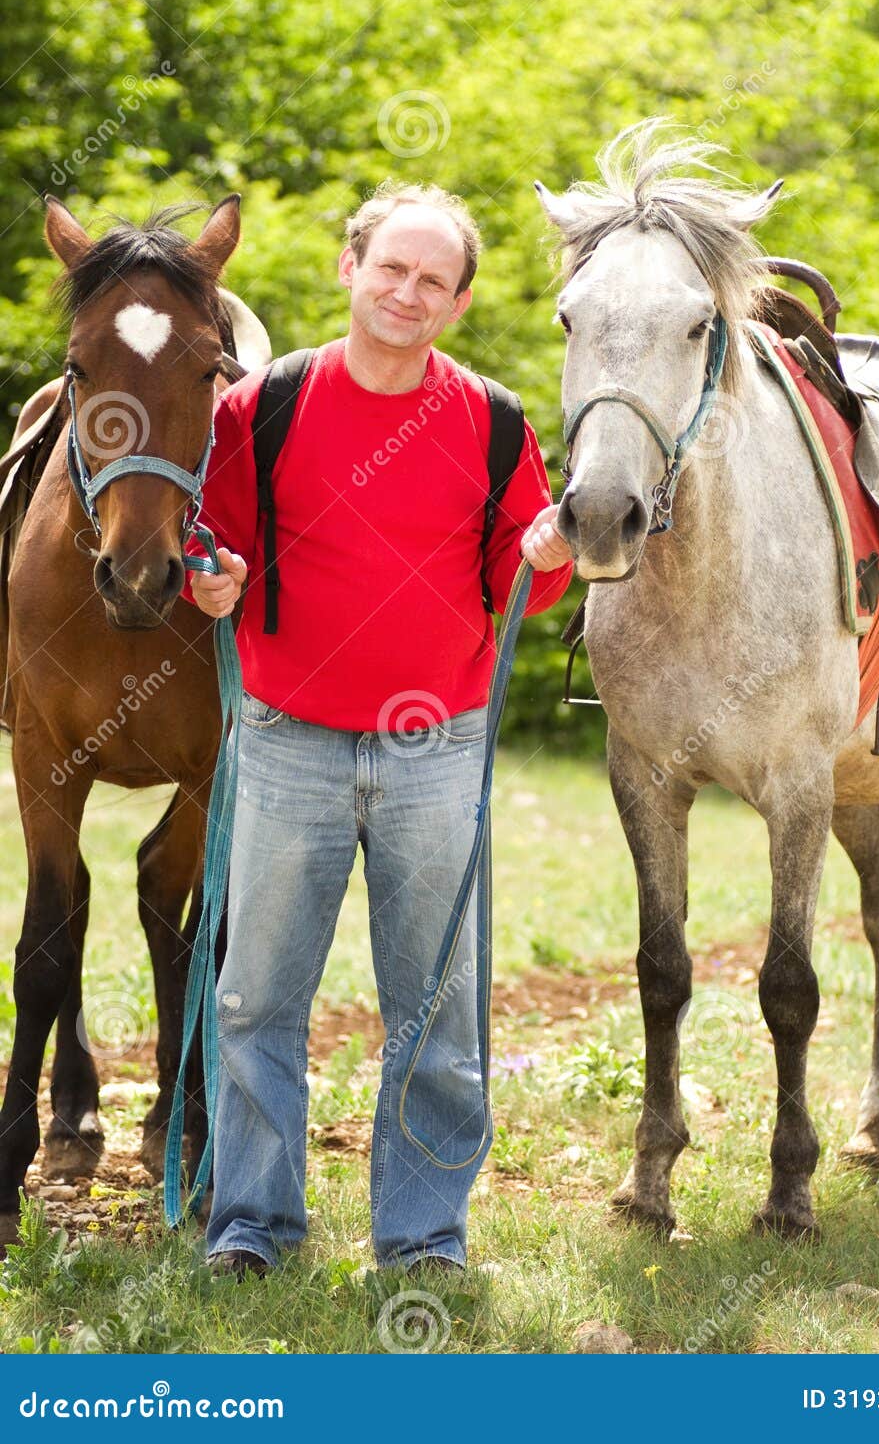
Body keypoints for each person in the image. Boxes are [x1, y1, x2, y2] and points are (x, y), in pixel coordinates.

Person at [187, 182, 572, 1278]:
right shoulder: (258, 407)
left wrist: (544, 553)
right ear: (350, 268)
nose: (409, 292)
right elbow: (212, 551)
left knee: (435, 1013)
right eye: (392, 267)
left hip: (433, 754)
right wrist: (209, 584)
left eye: (434, 280)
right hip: (286, 743)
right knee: (258, 996)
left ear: (455, 304)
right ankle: (253, 1227)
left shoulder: (495, 422)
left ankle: (421, 1239)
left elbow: (517, 586)